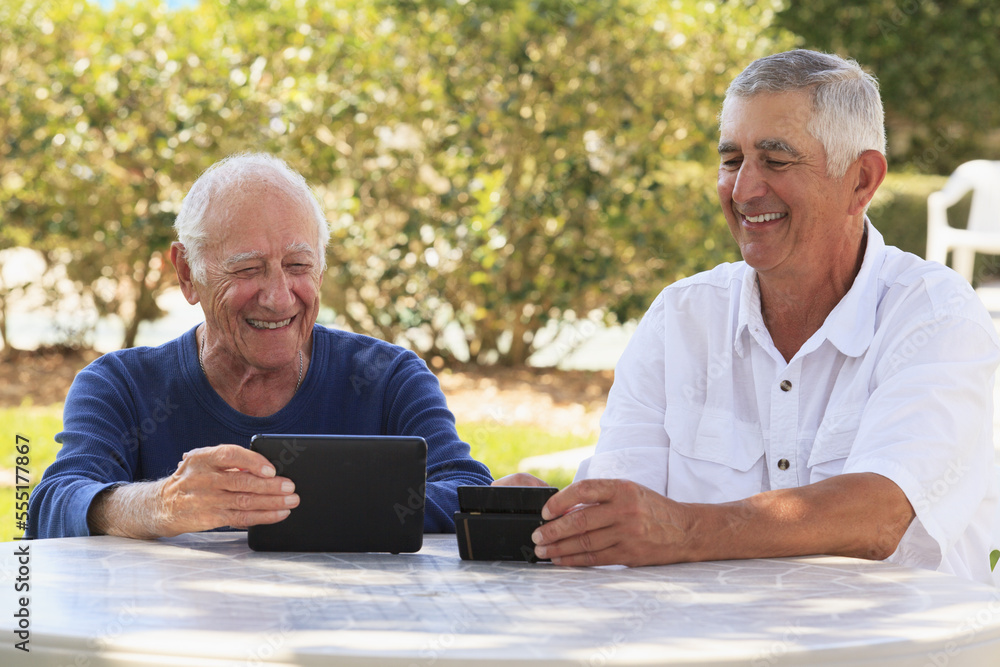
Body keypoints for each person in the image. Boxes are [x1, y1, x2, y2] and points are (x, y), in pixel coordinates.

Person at [505, 50, 1000, 584]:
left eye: (776, 160)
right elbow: (627, 518)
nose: (742, 191)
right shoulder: (681, 318)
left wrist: (683, 530)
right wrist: (562, 521)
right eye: (732, 159)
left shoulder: (934, 314)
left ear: (861, 180)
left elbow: (880, 517)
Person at [28, 153, 492, 539]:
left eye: (297, 265)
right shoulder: (119, 385)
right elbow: (51, 507)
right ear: (188, 274)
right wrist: (160, 505)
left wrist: (288, 499)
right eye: (248, 269)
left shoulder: (389, 379)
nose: (277, 296)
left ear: (322, 270)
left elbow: (471, 494)